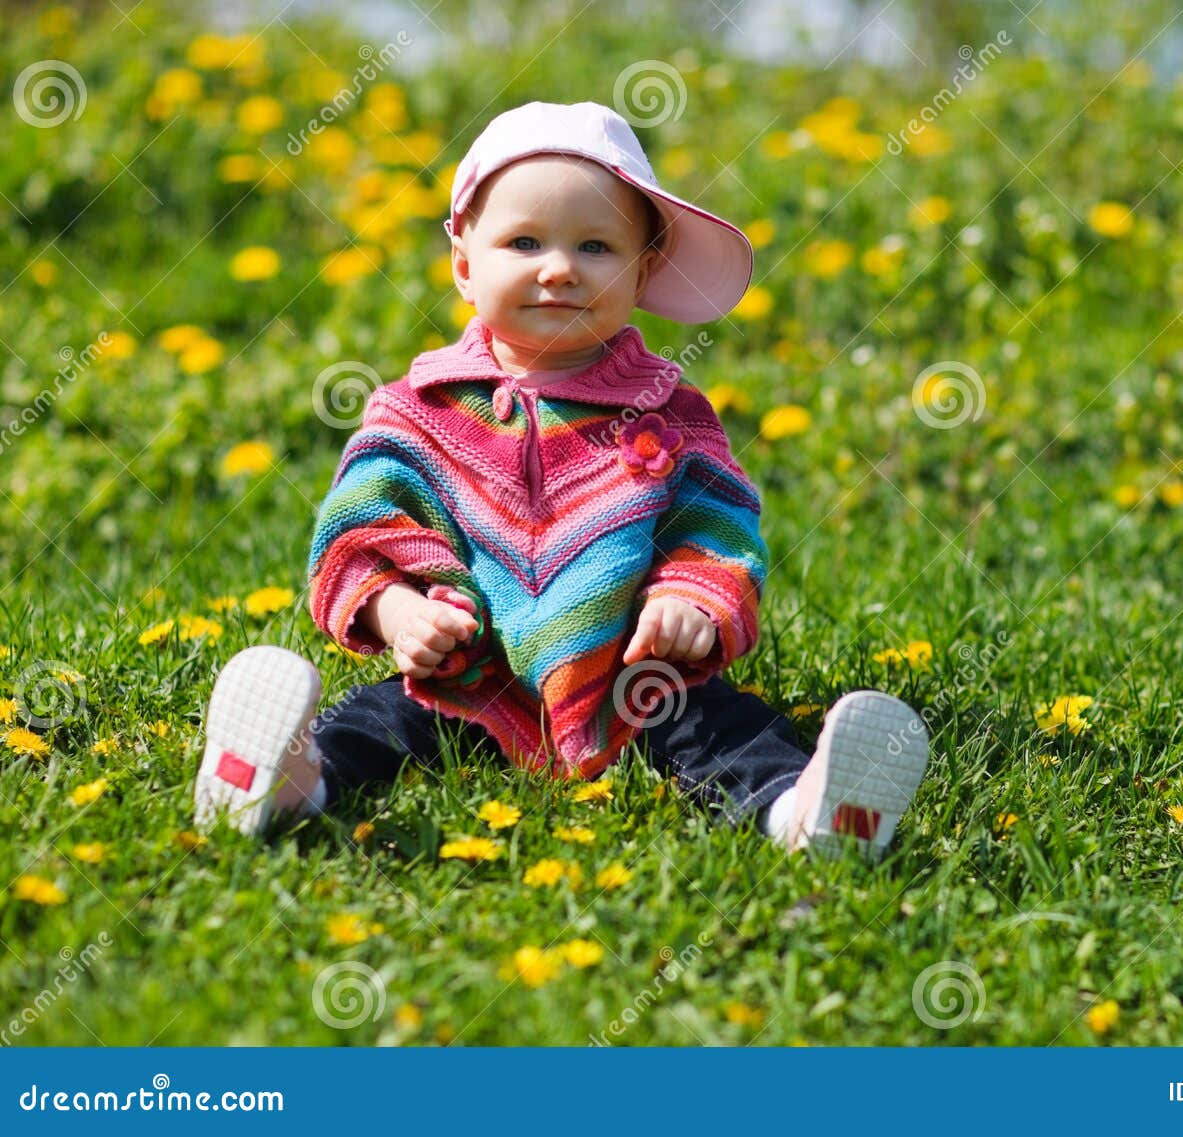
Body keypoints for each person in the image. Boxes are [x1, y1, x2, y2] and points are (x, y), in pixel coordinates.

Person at [191, 100, 929, 858]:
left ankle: (804, 813)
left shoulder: (669, 411)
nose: (559, 268)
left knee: (718, 727)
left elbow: (716, 528)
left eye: (596, 246)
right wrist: (398, 613)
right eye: (524, 241)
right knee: (380, 721)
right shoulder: (420, 411)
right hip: (465, 677)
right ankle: (290, 781)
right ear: (464, 263)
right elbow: (357, 533)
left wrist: (689, 602)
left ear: (642, 270)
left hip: (630, 682)